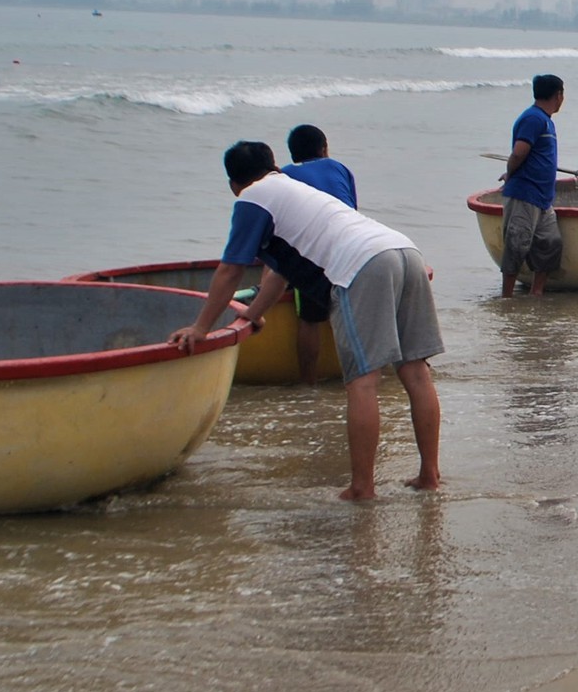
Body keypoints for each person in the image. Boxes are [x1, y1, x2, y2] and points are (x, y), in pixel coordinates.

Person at [172, 140, 440, 501]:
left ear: (233, 183)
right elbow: (279, 274)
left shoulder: (252, 197)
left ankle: (362, 488)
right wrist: (252, 316)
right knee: (416, 371)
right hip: (404, 251)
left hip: (362, 265)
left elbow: (230, 270)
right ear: (274, 166)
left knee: (362, 382)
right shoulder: (296, 192)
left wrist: (201, 327)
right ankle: (429, 477)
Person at [279, 123, 359, 383]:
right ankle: (358, 373)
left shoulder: (285, 175)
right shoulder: (339, 168)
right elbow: (351, 211)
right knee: (348, 312)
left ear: (292, 154)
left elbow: (282, 228)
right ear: (324, 149)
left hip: (314, 253)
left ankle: (308, 381)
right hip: (353, 247)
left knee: (310, 318)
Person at [498, 75, 566, 296]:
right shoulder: (533, 119)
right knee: (517, 245)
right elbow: (519, 153)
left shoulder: (546, 121)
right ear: (558, 95)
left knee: (551, 243)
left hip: (543, 198)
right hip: (525, 194)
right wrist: (509, 174)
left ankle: (536, 293)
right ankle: (506, 297)